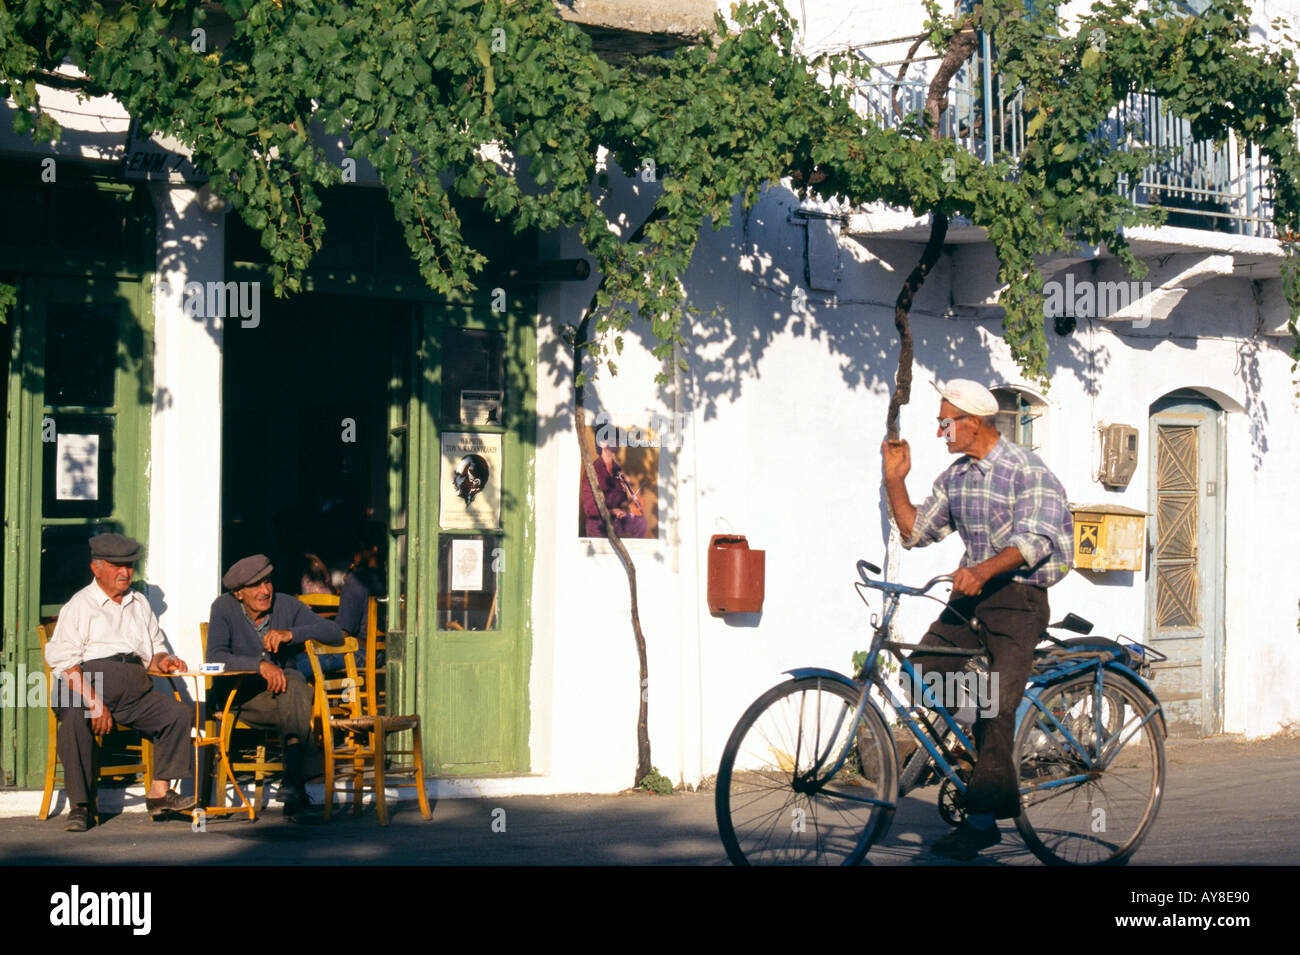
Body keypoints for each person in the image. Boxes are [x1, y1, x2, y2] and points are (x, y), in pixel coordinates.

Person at [882, 379, 1073, 860]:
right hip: (974, 593)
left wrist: (982, 570)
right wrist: (895, 480)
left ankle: (984, 818)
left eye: (946, 421)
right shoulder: (956, 476)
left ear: (973, 423)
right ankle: (982, 740)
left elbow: (1035, 542)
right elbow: (916, 532)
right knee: (922, 670)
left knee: (996, 708)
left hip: (1019, 597)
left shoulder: (1028, 470)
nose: (940, 429)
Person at [43, 534, 195, 831]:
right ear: (96, 568)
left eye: (129, 566)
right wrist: (94, 702)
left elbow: (153, 651)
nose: (125, 572)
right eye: (117, 566)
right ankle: (81, 806)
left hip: (134, 692)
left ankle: (159, 792)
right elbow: (64, 662)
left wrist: (165, 661)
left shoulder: (139, 603)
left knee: (178, 713)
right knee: (74, 718)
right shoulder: (80, 605)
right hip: (85, 686)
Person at [205, 554, 344, 817]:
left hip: (285, 696)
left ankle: (291, 781)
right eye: (256, 586)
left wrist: (293, 634)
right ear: (238, 594)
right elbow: (215, 658)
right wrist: (258, 665)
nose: (266, 591)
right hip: (242, 698)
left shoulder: (286, 605)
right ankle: (296, 783)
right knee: (300, 696)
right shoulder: (223, 608)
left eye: (267, 582)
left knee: (294, 686)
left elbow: (335, 633)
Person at [580, 435, 648, 538]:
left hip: (617, 520)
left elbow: (621, 501)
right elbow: (589, 507)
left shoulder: (617, 470)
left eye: (617, 440)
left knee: (641, 523)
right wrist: (611, 511)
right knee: (596, 527)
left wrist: (627, 488)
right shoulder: (592, 470)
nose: (616, 443)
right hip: (599, 523)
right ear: (602, 443)